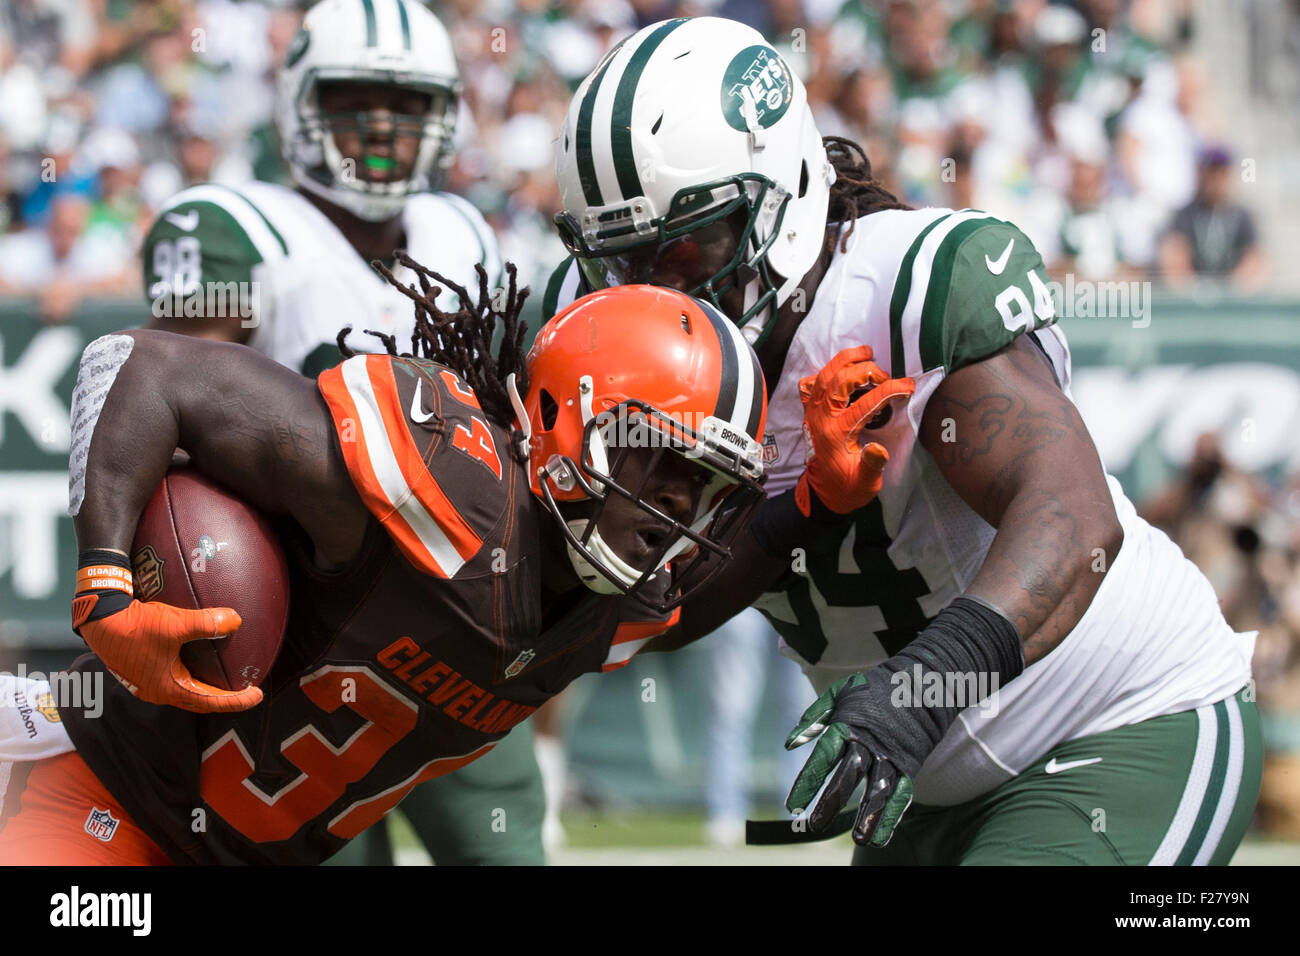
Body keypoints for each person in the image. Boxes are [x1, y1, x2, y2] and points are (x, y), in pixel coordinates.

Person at [546, 16, 1260, 865]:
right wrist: (798, 510)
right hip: (926, 780)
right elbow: (654, 614)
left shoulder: (900, 292)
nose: (664, 292)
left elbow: (1073, 516)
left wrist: (919, 692)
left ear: (783, 193)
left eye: (693, 245)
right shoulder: (625, 347)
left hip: (1122, 714)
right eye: (625, 265)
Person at [0, 276, 768, 865]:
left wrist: (823, 508)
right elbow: (135, 364)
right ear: (567, 417)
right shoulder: (441, 492)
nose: (678, 498)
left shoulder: (617, 603)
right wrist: (103, 585)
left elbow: (683, 617)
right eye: (661, 458)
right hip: (91, 797)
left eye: (705, 483)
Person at [137, 0, 541, 866]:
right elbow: (161, 414)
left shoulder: (461, 230)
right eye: (357, 101)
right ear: (299, 103)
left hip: (450, 626)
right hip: (301, 644)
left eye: (409, 105)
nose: (384, 126)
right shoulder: (235, 229)